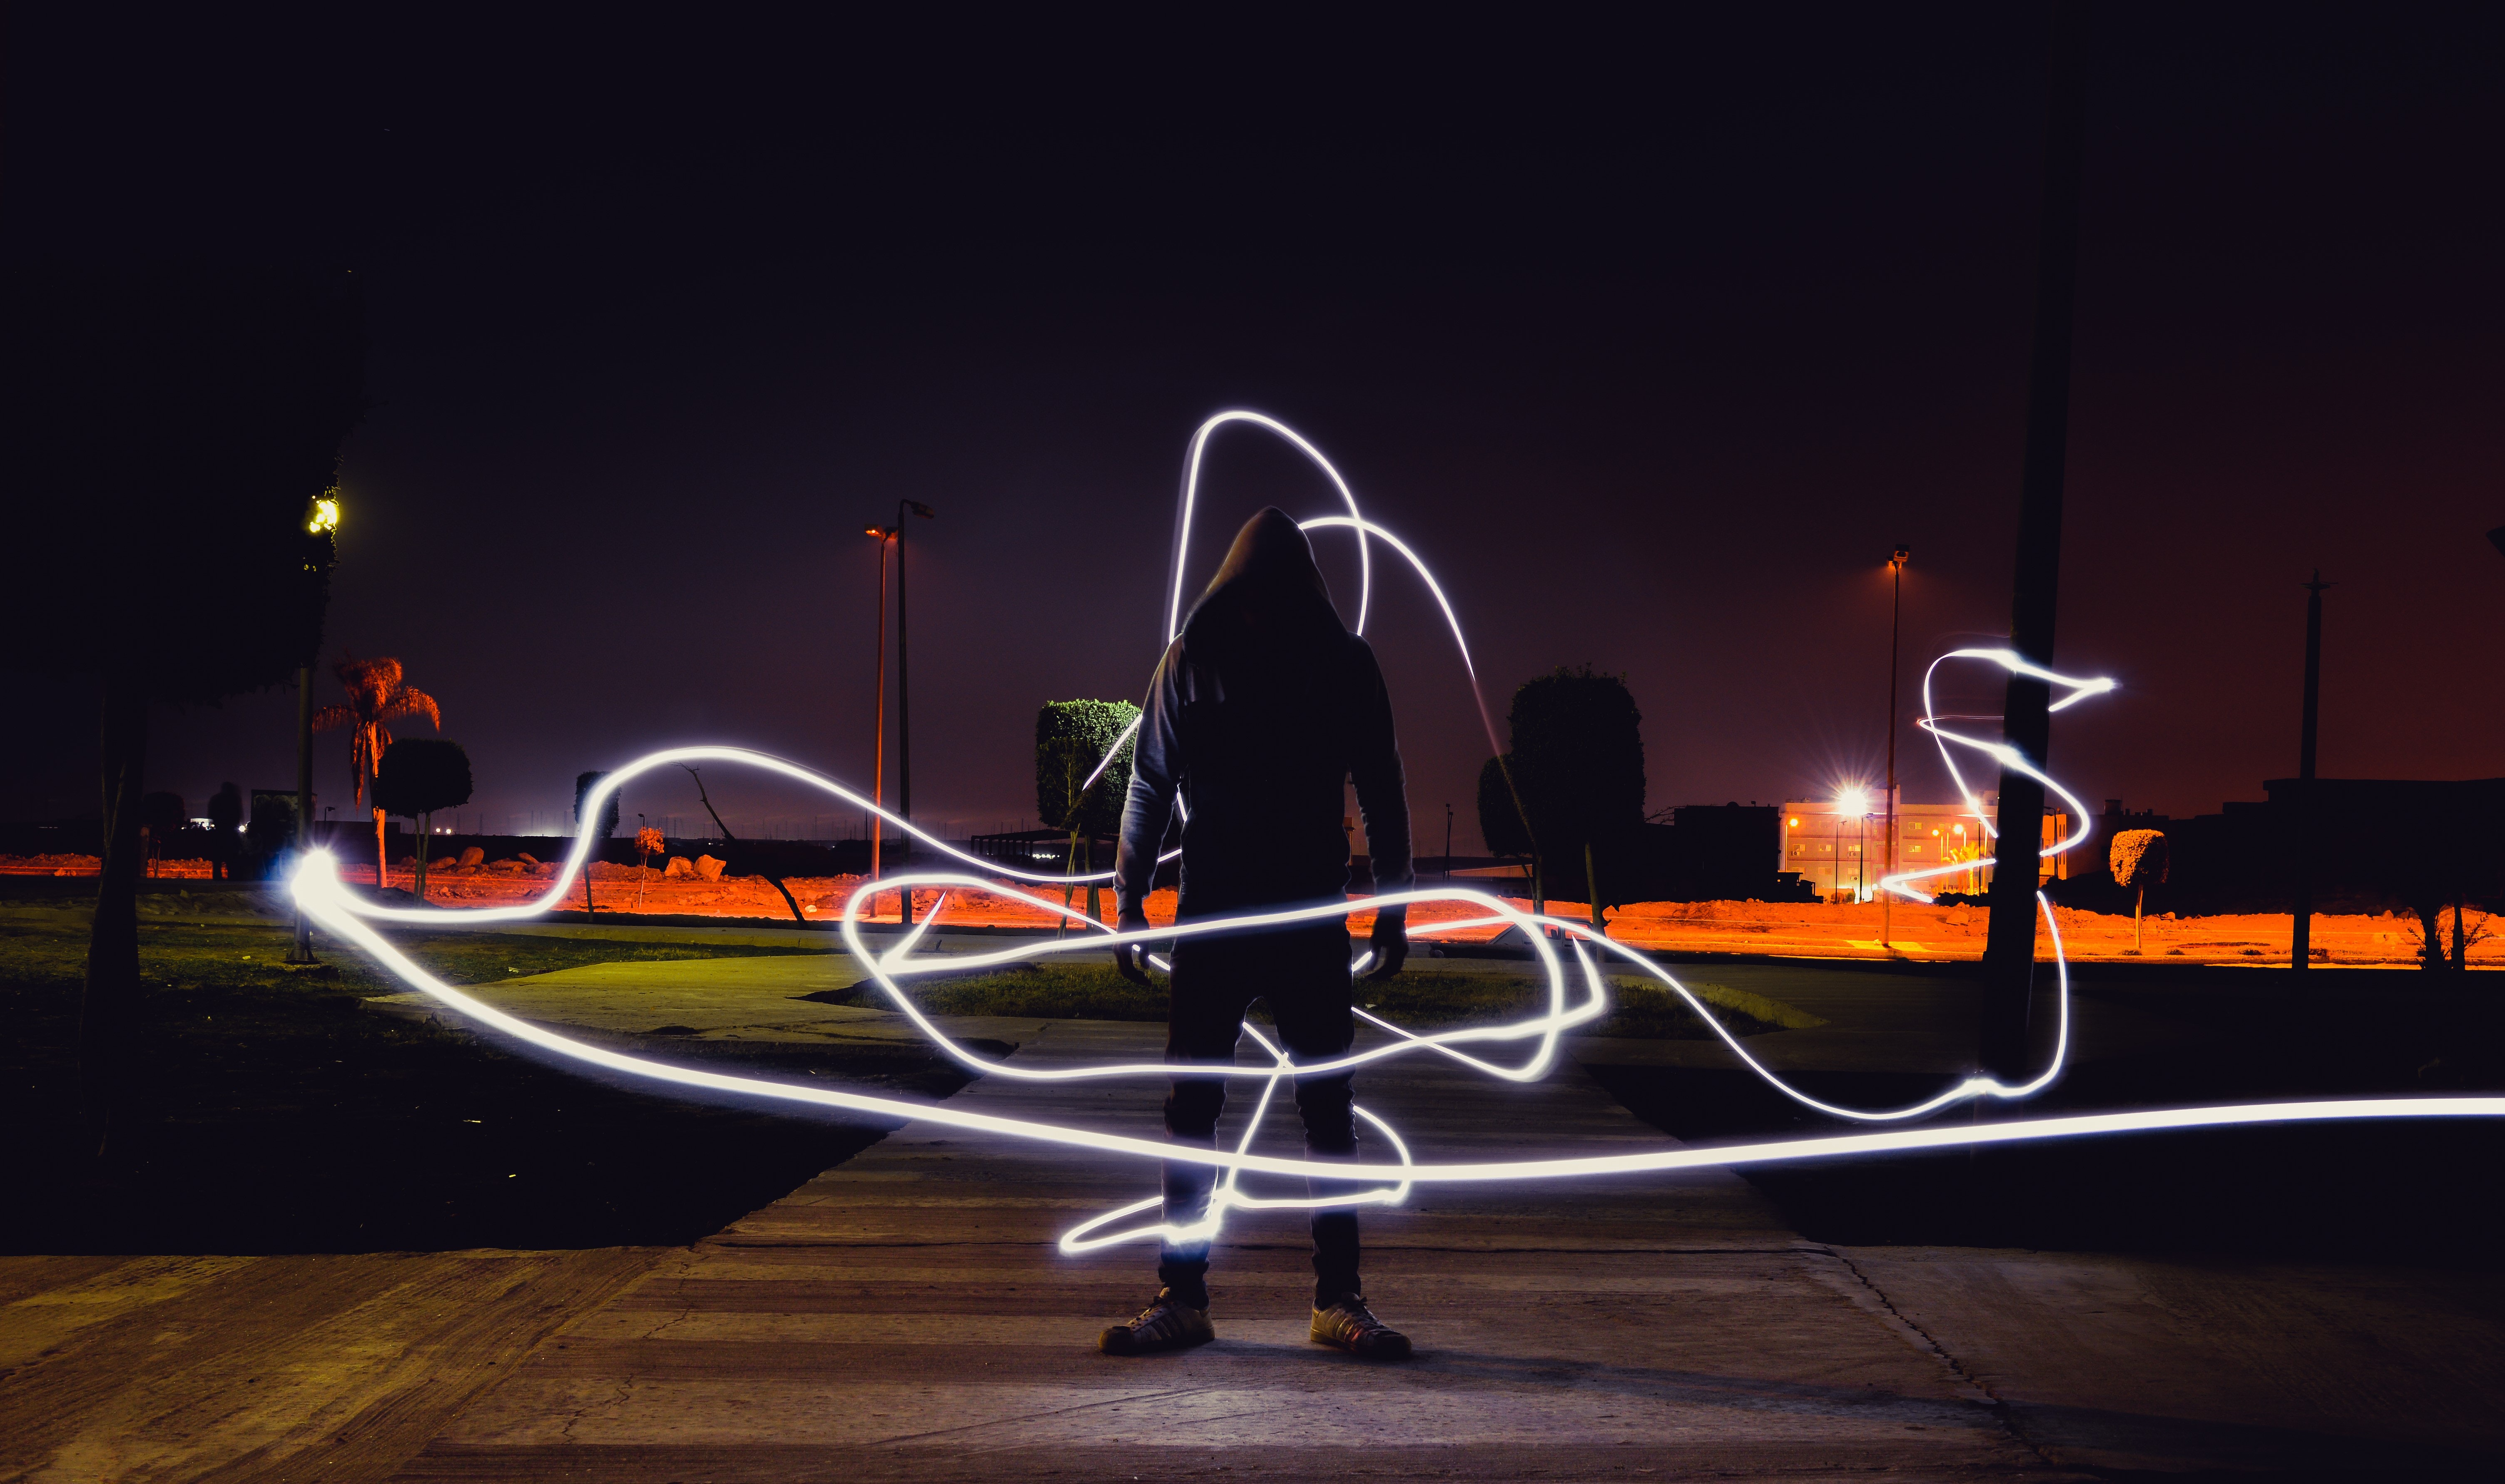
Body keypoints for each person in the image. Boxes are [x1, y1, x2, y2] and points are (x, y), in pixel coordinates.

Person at [1100, 507, 1415, 1360]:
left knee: (1327, 1110)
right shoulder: (1192, 660)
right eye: (1249, 600)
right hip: (1214, 912)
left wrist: (1393, 904)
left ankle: (1337, 1299)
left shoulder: (1343, 665)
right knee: (1193, 1108)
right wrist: (1128, 901)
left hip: (1307, 913)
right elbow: (1149, 781)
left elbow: (1381, 785)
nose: (1259, 614)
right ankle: (1182, 1296)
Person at [206, 782, 244, 882]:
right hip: (231, 832)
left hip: (219, 831)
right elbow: (239, 816)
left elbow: (211, 815)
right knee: (231, 857)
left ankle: (217, 877)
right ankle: (233, 877)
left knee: (218, 857)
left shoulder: (216, 799)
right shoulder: (235, 799)